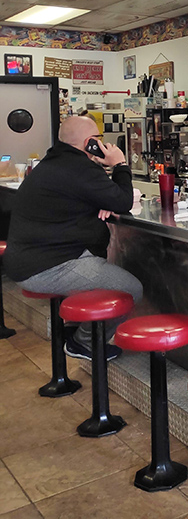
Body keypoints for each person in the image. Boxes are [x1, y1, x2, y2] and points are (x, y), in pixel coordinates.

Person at [4, 115, 142, 361]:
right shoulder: (80, 168)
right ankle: (83, 343)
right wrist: (120, 165)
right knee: (131, 289)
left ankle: (74, 329)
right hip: (48, 266)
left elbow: (110, 199)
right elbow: (122, 200)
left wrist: (106, 198)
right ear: (90, 142)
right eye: (98, 139)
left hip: (30, 260)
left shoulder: (52, 163)